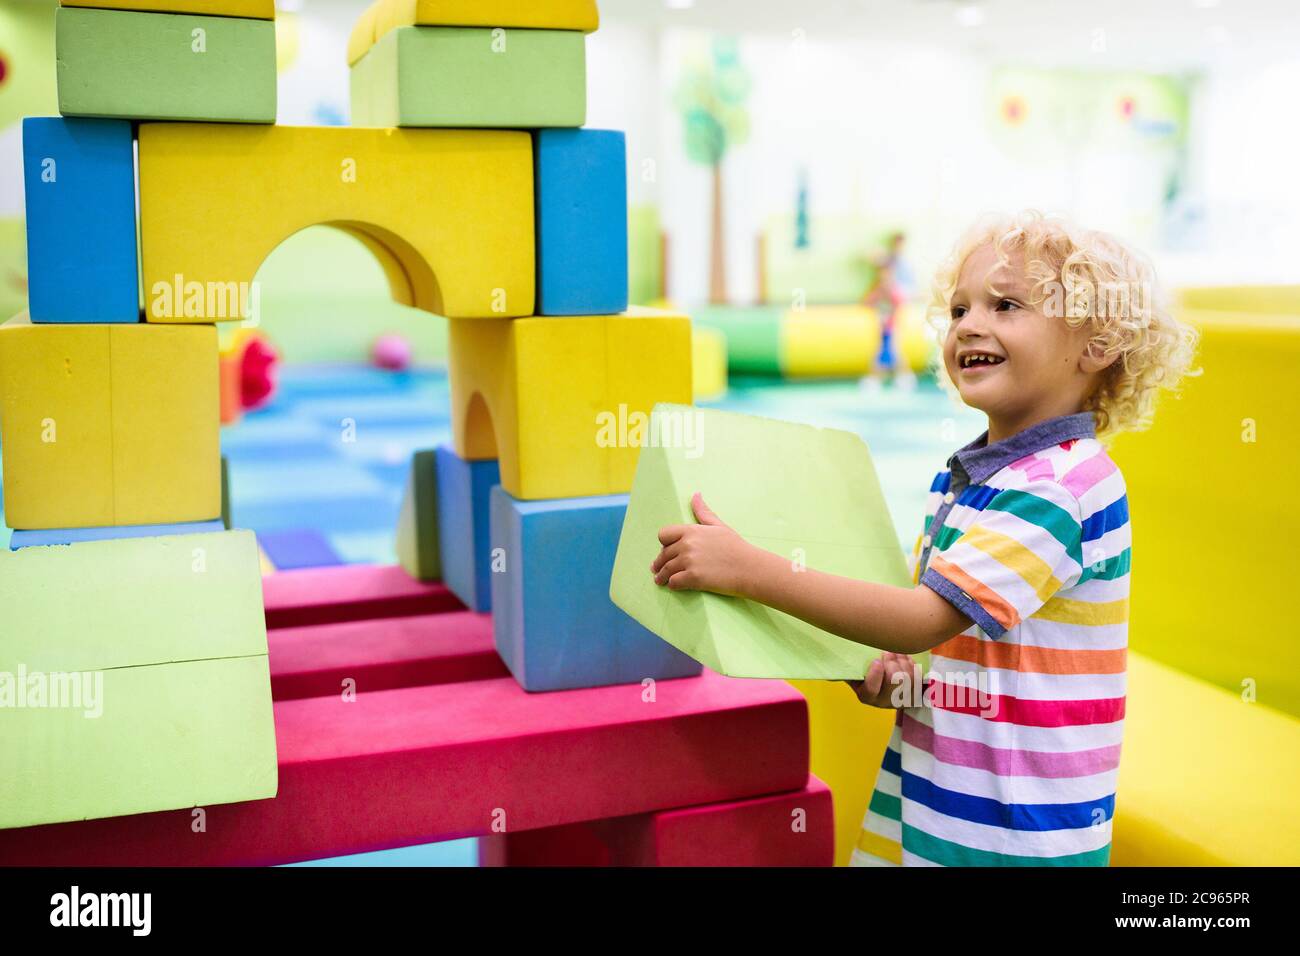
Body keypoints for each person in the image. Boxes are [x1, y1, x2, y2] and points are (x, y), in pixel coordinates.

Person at [648, 211, 1198, 866]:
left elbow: (918, 620)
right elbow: (944, 659)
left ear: (1097, 344)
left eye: (1006, 304)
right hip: (932, 813)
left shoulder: (1067, 485)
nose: (970, 323)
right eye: (961, 307)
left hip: (1014, 840)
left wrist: (747, 569)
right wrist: (897, 685)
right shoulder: (960, 482)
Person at [862, 231, 916, 390]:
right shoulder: (879, 288)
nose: (884, 277)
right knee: (884, 351)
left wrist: (890, 316)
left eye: (886, 275)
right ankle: (883, 378)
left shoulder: (893, 289)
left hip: (891, 325)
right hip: (884, 324)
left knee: (892, 350)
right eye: (881, 275)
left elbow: (898, 304)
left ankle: (902, 377)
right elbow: (868, 302)